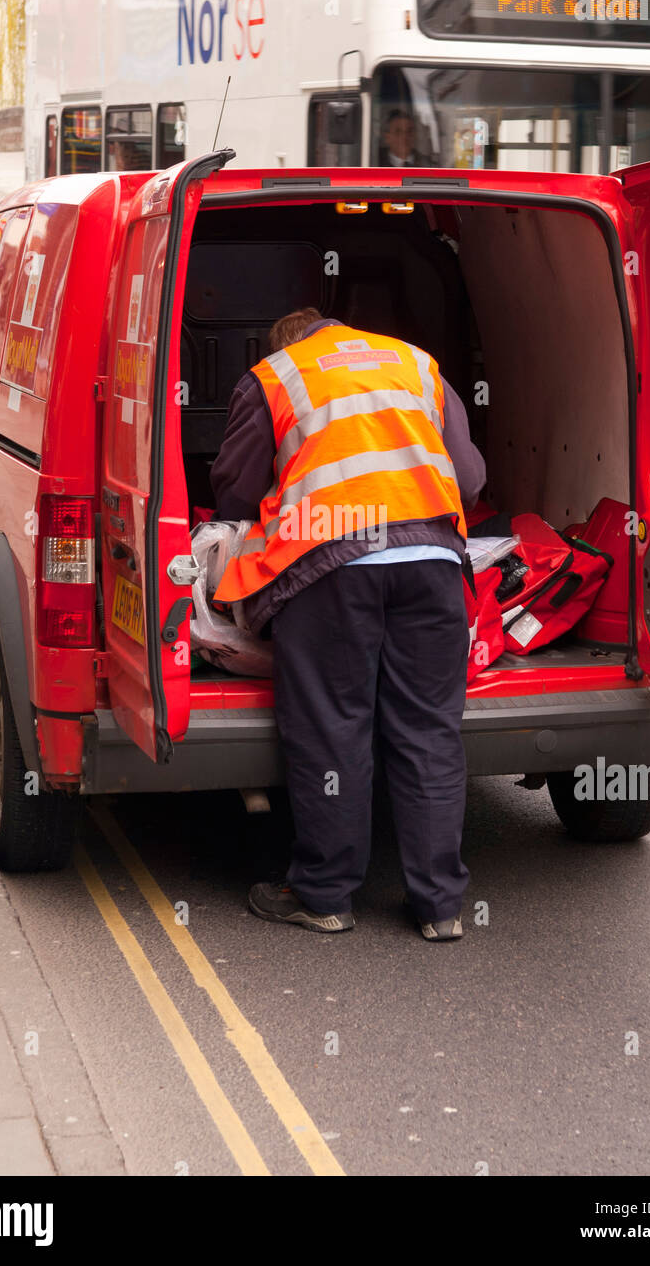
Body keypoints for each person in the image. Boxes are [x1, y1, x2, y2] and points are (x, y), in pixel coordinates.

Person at [211, 308, 486, 941]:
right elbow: (470, 481)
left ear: (287, 342)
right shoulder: (417, 363)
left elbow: (232, 494)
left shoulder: (275, 377)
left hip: (329, 568)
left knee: (334, 729)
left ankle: (324, 895)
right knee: (429, 732)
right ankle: (440, 907)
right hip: (433, 562)